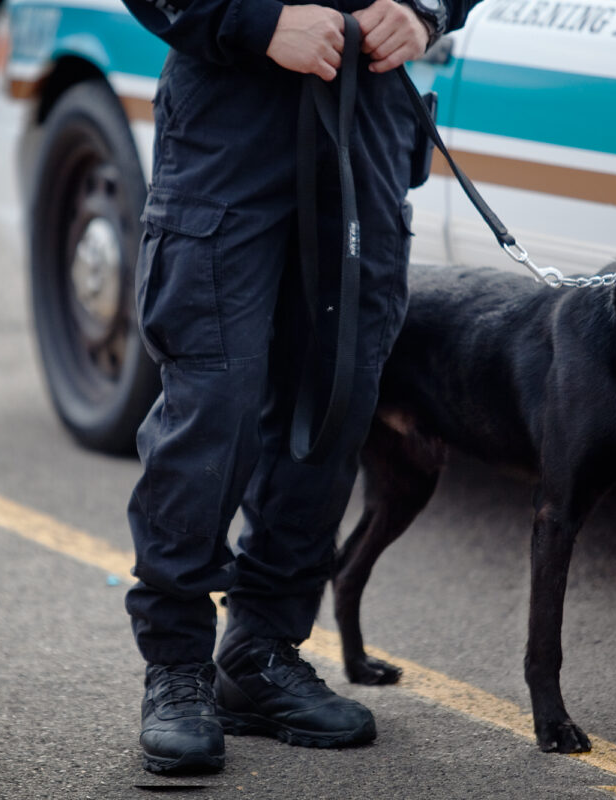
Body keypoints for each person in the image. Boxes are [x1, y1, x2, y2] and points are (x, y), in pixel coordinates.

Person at [119, 0, 474, 775]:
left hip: (365, 126)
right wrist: (258, 23)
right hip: (230, 122)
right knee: (213, 406)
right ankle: (177, 667)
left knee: (334, 402)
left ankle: (261, 653)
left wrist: (426, 12)